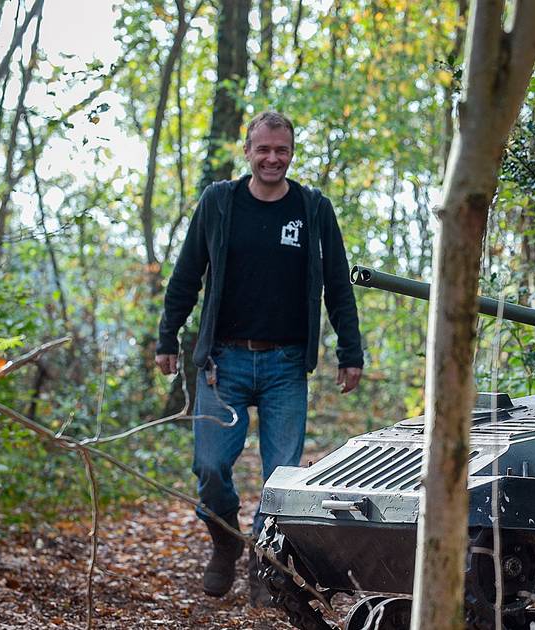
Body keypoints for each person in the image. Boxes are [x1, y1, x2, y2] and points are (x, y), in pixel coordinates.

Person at [154, 111, 363, 603]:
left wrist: (349, 350)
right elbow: (187, 274)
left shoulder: (313, 208)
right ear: (247, 151)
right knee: (209, 467)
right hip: (221, 363)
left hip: (285, 365)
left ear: (291, 153)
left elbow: (337, 283)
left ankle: (264, 565)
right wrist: (167, 337)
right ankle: (225, 540)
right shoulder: (219, 202)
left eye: (281, 150)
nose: (272, 158)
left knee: (282, 480)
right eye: (263, 149)